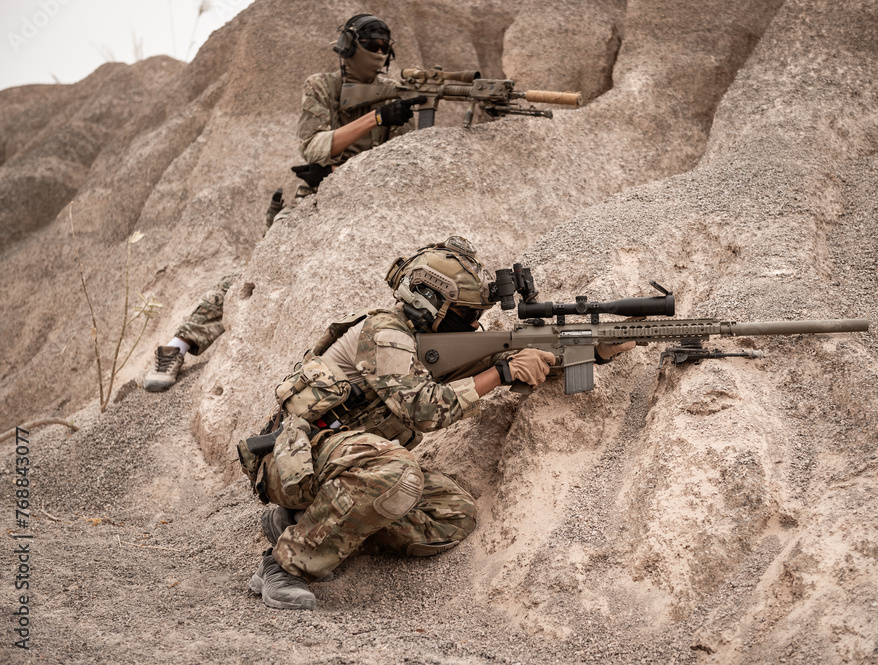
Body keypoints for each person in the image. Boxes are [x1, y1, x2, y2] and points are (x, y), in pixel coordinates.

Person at [240, 236, 632, 610]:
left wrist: (593, 349)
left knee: (451, 514)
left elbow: (518, 356)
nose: (474, 325)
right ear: (430, 302)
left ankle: (308, 524)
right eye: (466, 315)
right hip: (293, 462)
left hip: (344, 466)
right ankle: (285, 565)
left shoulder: (426, 341)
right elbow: (424, 410)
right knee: (397, 474)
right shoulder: (386, 333)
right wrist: (502, 374)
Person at [144, 14, 418, 392]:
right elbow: (314, 146)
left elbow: (409, 162)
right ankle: (177, 345)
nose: (379, 52)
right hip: (317, 197)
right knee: (253, 274)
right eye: (372, 44)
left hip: (366, 205)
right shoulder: (322, 87)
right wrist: (376, 117)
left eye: (385, 47)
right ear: (349, 47)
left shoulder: (395, 93)